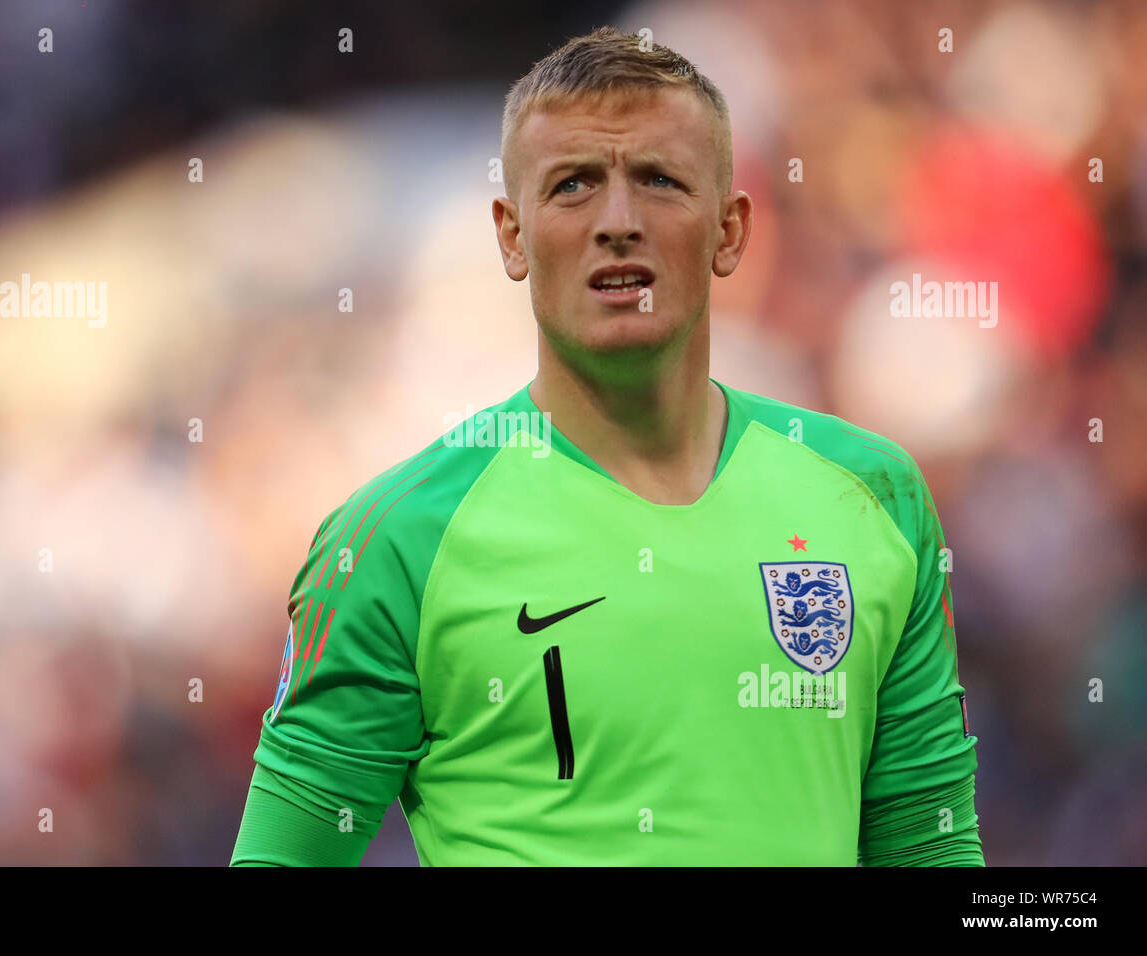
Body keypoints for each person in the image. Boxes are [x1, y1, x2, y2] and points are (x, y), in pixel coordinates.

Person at [231, 25, 982, 866]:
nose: (617, 222)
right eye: (573, 186)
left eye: (659, 180)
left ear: (731, 231)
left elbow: (931, 848)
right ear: (512, 236)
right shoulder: (397, 542)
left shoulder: (873, 496)